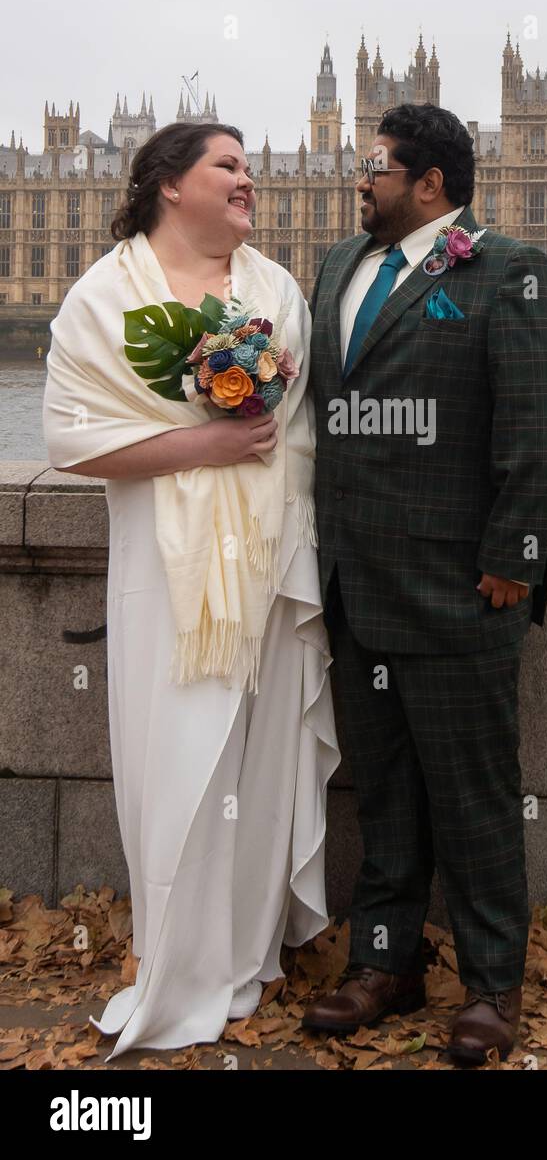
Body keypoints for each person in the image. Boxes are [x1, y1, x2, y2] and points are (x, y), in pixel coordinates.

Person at [42, 121, 339, 1062]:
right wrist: (200, 443)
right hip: (164, 580)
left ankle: (241, 955)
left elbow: (294, 429)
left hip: (264, 568)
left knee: (255, 771)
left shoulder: (274, 290)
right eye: (230, 167)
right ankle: (173, 961)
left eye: (252, 167)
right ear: (170, 185)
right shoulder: (106, 295)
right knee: (174, 766)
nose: (249, 181)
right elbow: (71, 437)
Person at [304, 103, 547, 1066]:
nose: (359, 179)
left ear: (429, 183)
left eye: (375, 165)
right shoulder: (337, 266)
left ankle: (493, 985)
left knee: (473, 796)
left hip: (461, 588)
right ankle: (385, 964)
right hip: (354, 584)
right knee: (383, 794)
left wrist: (513, 558)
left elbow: (537, 426)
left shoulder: (510, 271)